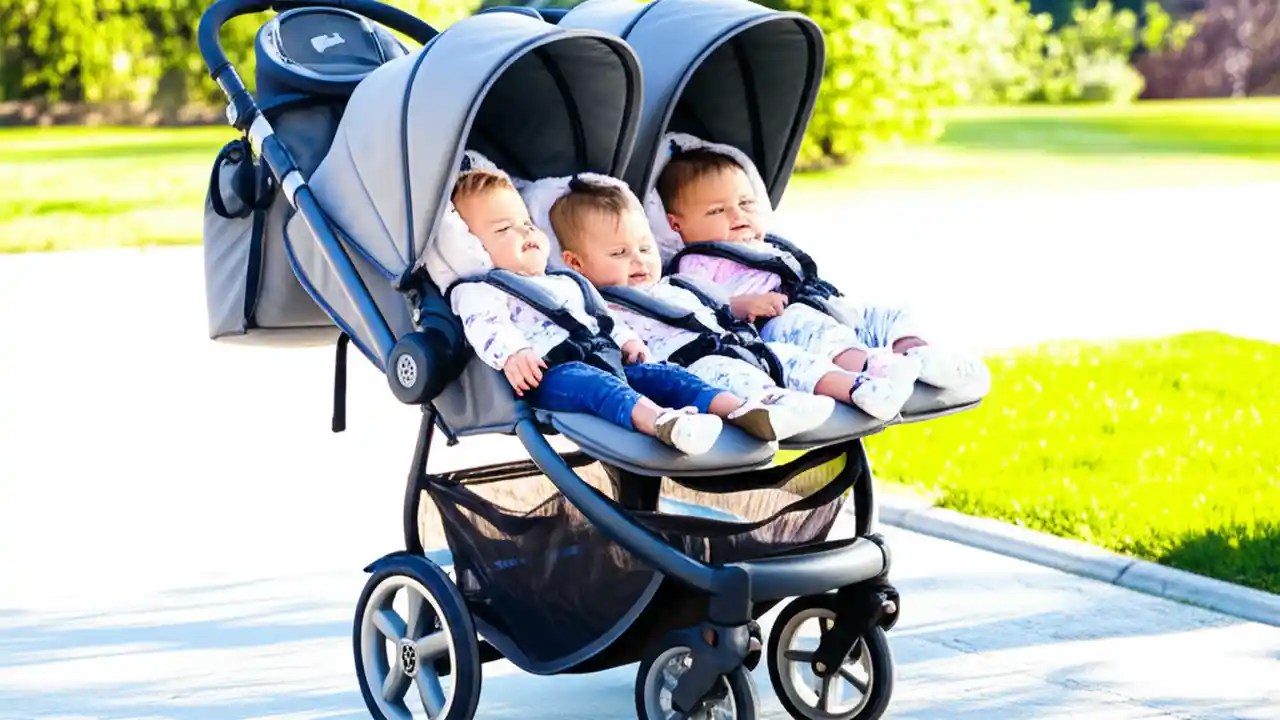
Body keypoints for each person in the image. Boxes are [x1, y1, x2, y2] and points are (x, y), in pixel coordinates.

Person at [437, 168, 815, 453]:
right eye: (505, 230)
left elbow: (601, 318)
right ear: (473, 248)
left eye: (526, 224)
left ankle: (742, 409)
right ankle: (662, 423)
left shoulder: (566, 282)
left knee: (666, 376)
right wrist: (512, 353)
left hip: (607, 358)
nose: (526, 234)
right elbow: (485, 326)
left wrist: (628, 340)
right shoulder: (480, 289)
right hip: (552, 373)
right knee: (596, 386)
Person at [542, 177, 917, 422]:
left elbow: (716, 307)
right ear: (576, 263)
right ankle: (774, 407)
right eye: (619, 254)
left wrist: (740, 307)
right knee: (736, 377)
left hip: (738, 342)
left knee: (789, 358)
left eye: (644, 247)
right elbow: (604, 336)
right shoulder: (597, 304)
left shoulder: (674, 284)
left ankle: (859, 387)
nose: (639, 260)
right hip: (693, 364)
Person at [656, 146, 991, 397]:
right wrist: (741, 305)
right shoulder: (693, 264)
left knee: (886, 312)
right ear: (676, 225)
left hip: (822, 307)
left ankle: (918, 351)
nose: (737, 215)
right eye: (717, 210)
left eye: (746, 204)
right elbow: (698, 309)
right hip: (775, 323)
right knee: (811, 330)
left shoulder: (770, 246)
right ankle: (871, 368)